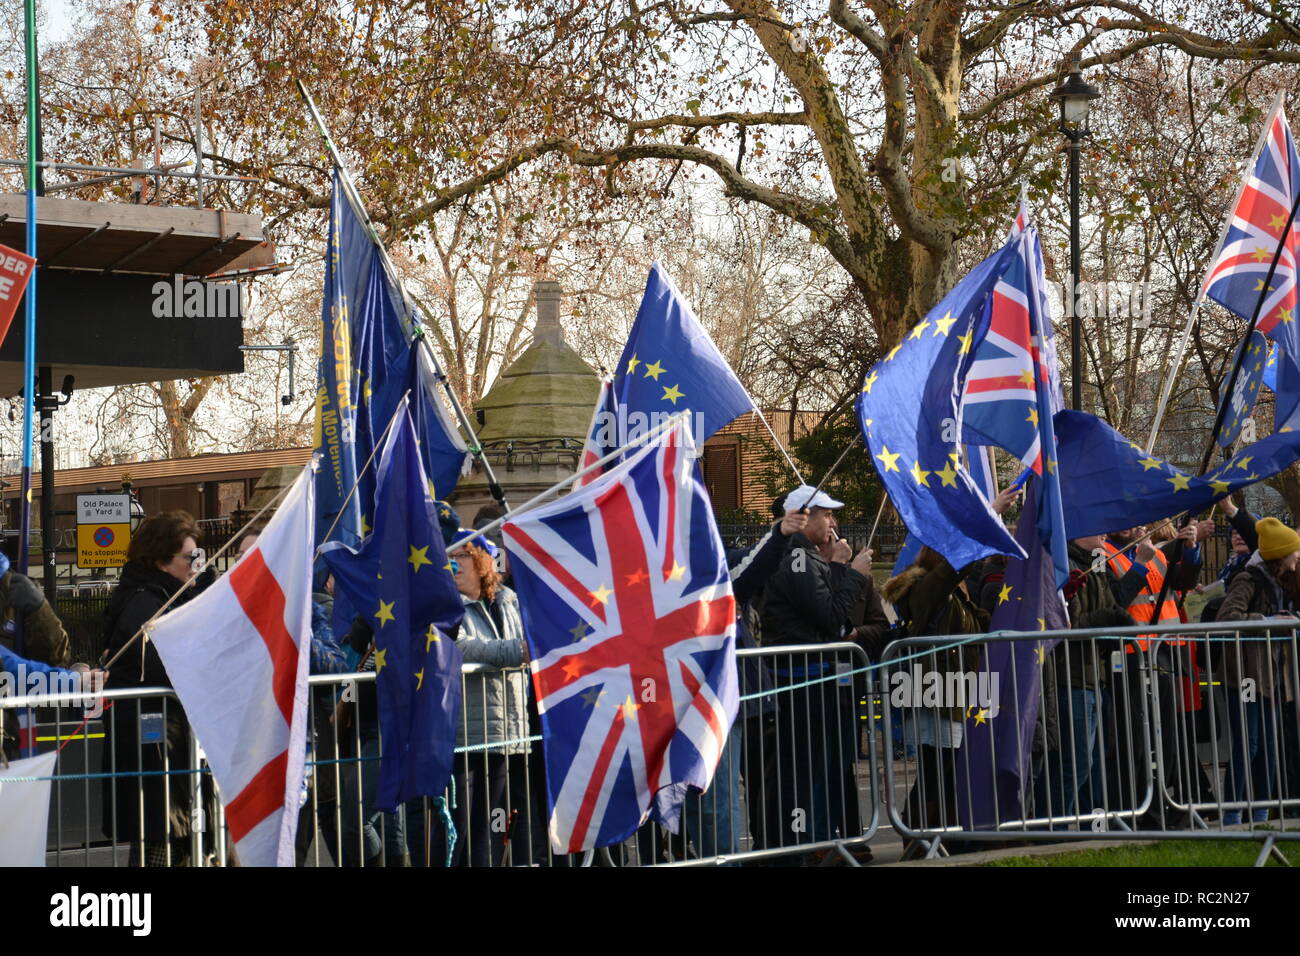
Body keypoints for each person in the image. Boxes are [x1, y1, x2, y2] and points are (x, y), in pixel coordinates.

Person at [881, 486, 1019, 847]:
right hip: (936, 693)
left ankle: (936, 837)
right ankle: (918, 837)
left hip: (958, 694)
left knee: (947, 772)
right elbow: (960, 564)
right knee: (936, 772)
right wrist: (988, 514)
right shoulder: (925, 589)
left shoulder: (958, 595)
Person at [758, 484, 873, 850]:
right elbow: (831, 618)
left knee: (823, 768)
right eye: (826, 514)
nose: (832, 522)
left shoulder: (806, 556)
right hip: (803, 680)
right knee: (808, 771)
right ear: (805, 517)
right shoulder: (797, 558)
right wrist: (850, 572)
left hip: (813, 678)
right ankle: (809, 845)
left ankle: (819, 842)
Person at [100, 510, 214, 866]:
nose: (198, 563)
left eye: (200, 555)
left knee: (179, 842)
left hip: (169, 742)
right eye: (190, 557)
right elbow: (155, 666)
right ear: (162, 561)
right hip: (155, 744)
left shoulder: (166, 594)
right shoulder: (146, 601)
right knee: (160, 843)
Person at [429, 531, 530, 867]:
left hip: (508, 737)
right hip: (466, 738)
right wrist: (517, 652)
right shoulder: (447, 606)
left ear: (483, 562)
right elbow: (461, 649)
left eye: (462, 555)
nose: (453, 562)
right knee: (460, 832)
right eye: (451, 556)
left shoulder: (511, 601)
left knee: (493, 828)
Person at [1214, 516, 1299, 826]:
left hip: (1274, 675)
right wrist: (1267, 621)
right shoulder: (1248, 579)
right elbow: (1227, 619)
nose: (1298, 557)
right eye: (1294, 551)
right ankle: (1233, 813)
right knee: (1247, 742)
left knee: (1268, 744)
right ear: (1281, 552)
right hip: (1247, 674)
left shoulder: (1284, 580)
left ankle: (1262, 812)